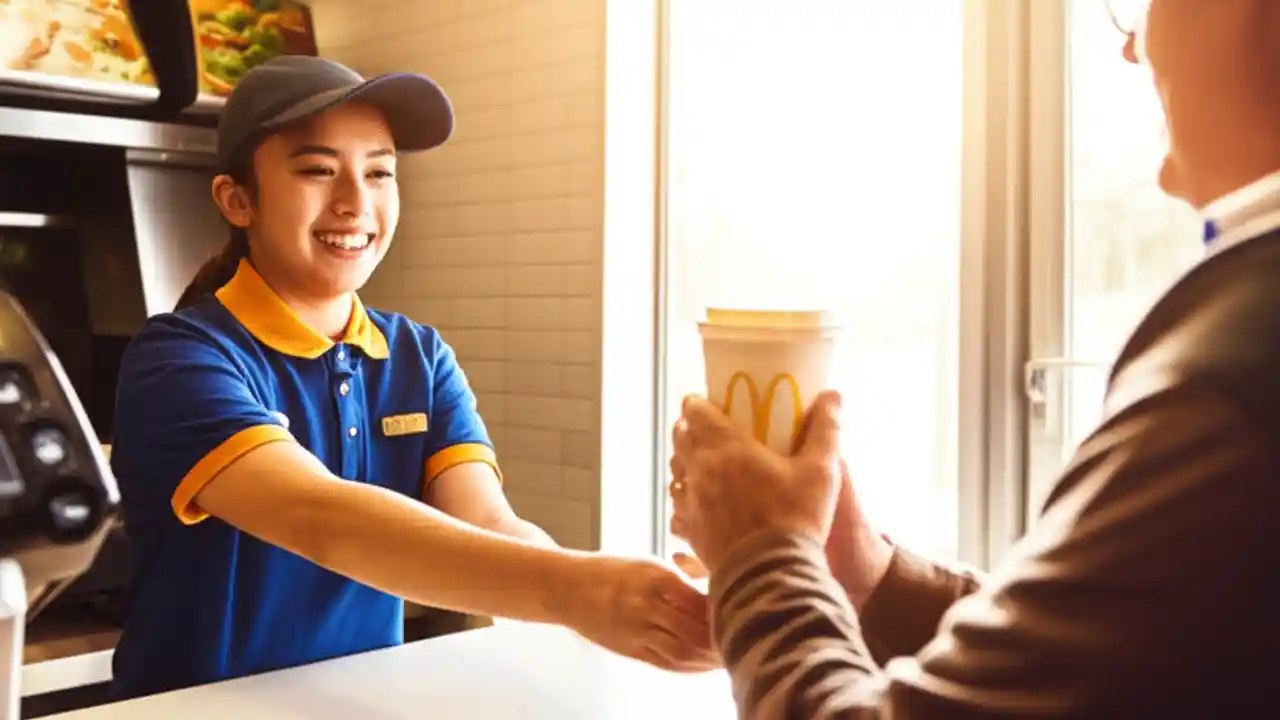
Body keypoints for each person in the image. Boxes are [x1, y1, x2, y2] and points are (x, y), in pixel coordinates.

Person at [669, 0, 1280, 716]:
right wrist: (869, 579)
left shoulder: (1234, 383)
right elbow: (1108, 672)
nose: (1133, 47)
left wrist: (760, 557)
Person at [109, 55, 714, 700]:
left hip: (360, 703)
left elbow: (487, 519)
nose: (354, 203)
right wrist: (575, 589)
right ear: (237, 200)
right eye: (317, 170)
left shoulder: (418, 357)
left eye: (379, 172)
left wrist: (616, 586)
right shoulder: (180, 358)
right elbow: (321, 517)